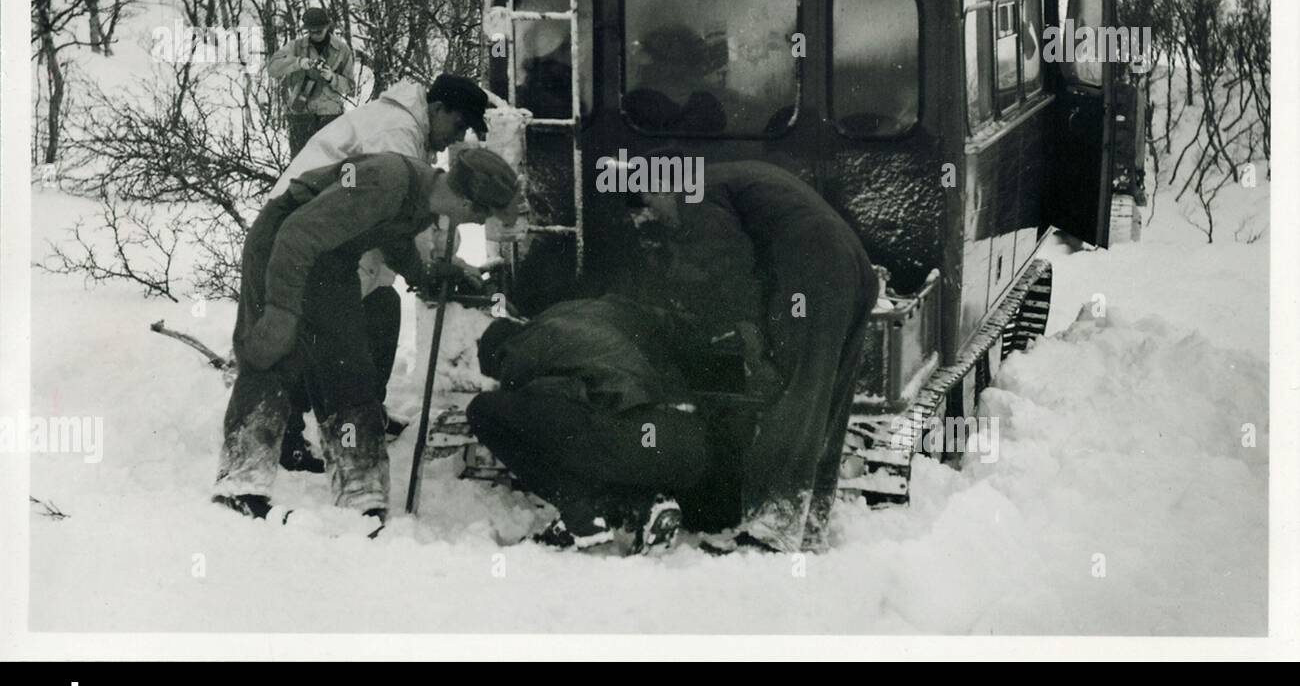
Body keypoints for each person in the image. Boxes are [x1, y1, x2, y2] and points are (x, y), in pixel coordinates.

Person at [212, 148, 520, 533]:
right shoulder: (385, 180)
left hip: (332, 260)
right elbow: (298, 233)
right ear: (463, 200)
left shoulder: (423, 198)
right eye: (480, 214)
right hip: (281, 247)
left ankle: (360, 491)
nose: (478, 222)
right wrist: (282, 312)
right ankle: (241, 485)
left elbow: (393, 238)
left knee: (350, 368)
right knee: (272, 356)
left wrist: (422, 275)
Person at [633, 160, 879, 553]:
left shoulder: (694, 194)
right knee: (824, 402)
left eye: (649, 202)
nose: (654, 214)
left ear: (664, 185)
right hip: (852, 269)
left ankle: (772, 529)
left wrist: (746, 337)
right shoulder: (725, 179)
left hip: (813, 276)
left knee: (793, 395)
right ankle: (808, 524)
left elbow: (730, 271)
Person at [267, 75, 493, 471]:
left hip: (334, 240)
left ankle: (365, 409)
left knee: (380, 308)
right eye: (457, 126)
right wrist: (435, 267)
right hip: (302, 241)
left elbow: (414, 215)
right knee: (325, 331)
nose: (455, 138)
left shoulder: (410, 130)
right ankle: (286, 433)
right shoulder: (395, 133)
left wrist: (441, 263)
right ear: (437, 110)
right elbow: (399, 221)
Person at [467, 295, 722, 552]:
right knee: (619, 429)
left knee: (485, 411)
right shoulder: (588, 308)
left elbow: (538, 423)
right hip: (687, 443)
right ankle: (649, 502)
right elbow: (671, 323)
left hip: (633, 439)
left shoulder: (519, 348)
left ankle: (582, 515)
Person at [267, 6, 356, 156]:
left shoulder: (342, 50)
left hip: (330, 117)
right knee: (301, 169)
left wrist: (332, 78)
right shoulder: (296, 47)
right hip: (301, 117)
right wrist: (298, 63)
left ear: (327, 26)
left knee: (330, 167)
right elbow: (273, 68)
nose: (315, 35)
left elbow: (351, 88)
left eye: (319, 31)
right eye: (311, 31)